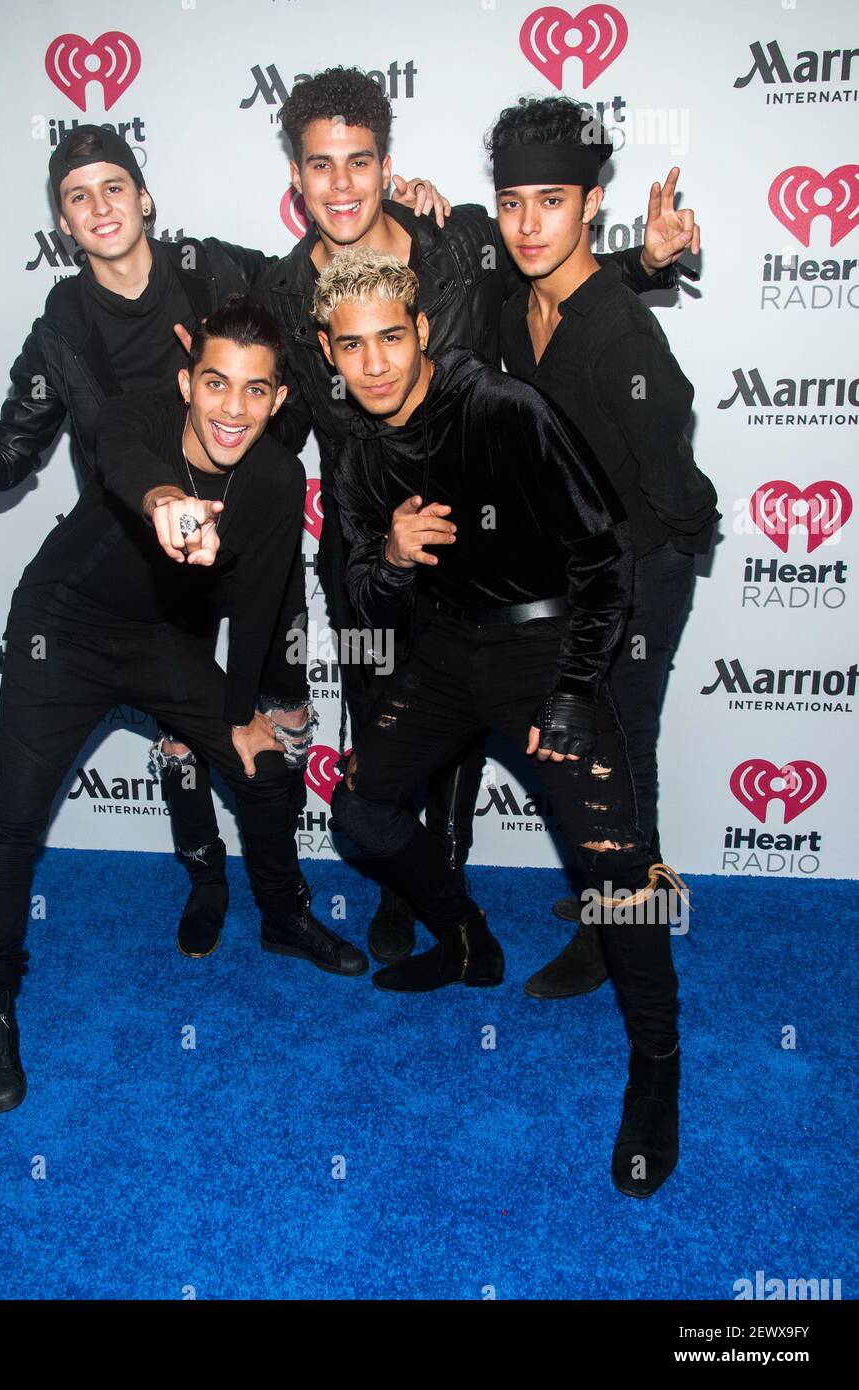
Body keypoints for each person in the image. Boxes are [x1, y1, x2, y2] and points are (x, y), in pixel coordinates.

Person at [0, 123, 439, 954]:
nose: (100, 206)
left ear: (143, 198)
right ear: (65, 224)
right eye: (78, 197)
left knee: (272, 726)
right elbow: (20, 448)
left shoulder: (213, 269)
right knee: (185, 742)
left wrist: (402, 218)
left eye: (114, 187)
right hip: (145, 556)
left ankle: (283, 898)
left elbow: (311, 287)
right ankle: (205, 881)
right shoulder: (63, 324)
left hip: (252, 535)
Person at [259, 66, 695, 966]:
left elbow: (554, 270)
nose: (342, 183)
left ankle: (608, 926)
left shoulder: (451, 242)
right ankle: (417, 886)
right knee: (390, 702)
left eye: (360, 161)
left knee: (610, 745)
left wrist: (644, 265)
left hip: (521, 543)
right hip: (372, 526)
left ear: (387, 165)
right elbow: (546, 275)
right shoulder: (280, 289)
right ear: (295, 180)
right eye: (321, 166)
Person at [318, 248, 685, 1197]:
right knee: (359, 811)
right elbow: (364, 605)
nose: (376, 364)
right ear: (330, 351)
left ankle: (656, 1069)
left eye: (391, 338)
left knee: (616, 862)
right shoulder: (357, 452)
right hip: (443, 651)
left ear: (421, 331)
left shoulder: (503, 407)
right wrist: (393, 556)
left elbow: (607, 561)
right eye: (353, 347)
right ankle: (467, 932)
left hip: (543, 648)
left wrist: (572, 689)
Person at [0, 297, 368, 1116]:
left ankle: (285, 917)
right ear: (187, 381)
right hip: (63, 631)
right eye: (216, 384)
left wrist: (237, 713)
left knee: (262, 767)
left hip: (155, 640)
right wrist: (163, 502)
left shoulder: (277, 477)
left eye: (255, 391)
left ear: (280, 400)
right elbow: (119, 454)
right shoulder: (138, 417)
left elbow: (259, 604)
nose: (232, 408)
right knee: (13, 819)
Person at [489, 97, 718, 1000]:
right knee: (585, 741)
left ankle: (621, 917)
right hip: (575, 569)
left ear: (591, 202)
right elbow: (567, 287)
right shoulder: (518, 313)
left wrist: (658, 563)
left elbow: (674, 478)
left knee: (622, 744)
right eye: (513, 204)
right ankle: (611, 885)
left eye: (553, 200)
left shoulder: (624, 333)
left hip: (640, 567)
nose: (529, 224)